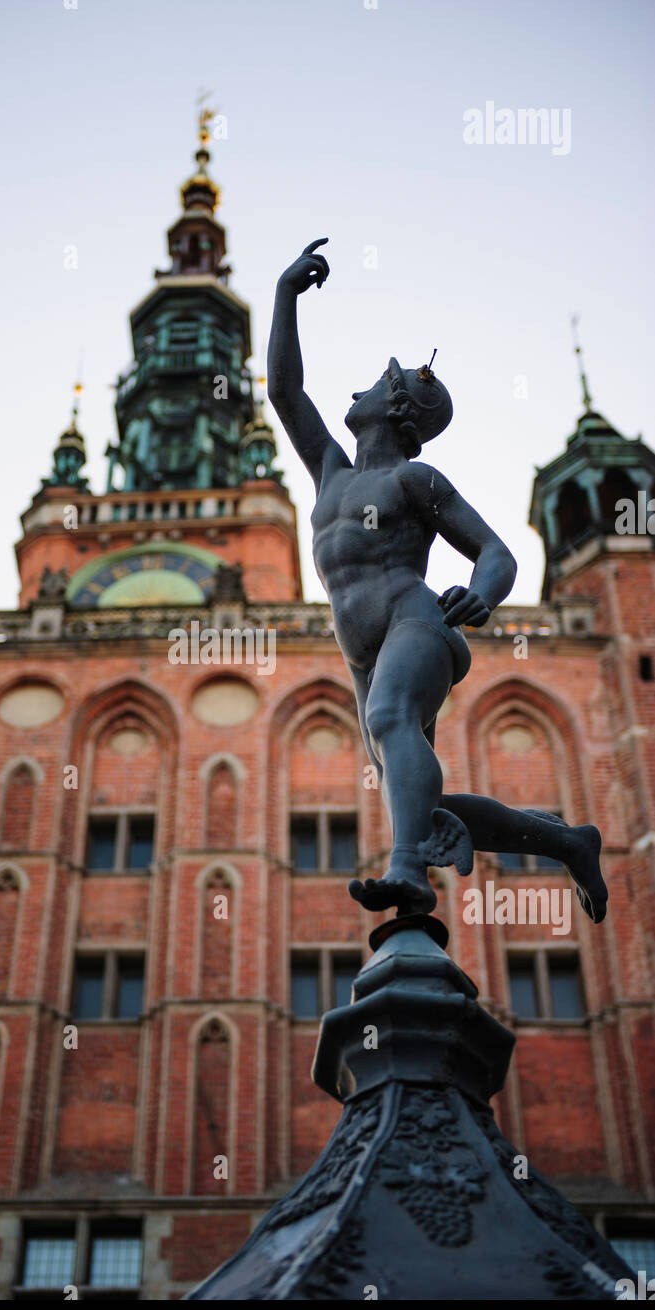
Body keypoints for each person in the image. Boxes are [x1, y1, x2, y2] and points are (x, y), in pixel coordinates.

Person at [267, 239, 607, 921]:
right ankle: (565, 841)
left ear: (394, 406)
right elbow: (283, 391)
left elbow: (494, 550)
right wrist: (283, 296)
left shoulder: (411, 479)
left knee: (393, 723)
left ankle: (407, 874)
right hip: (359, 650)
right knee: (411, 791)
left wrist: (482, 592)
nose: (354, 389)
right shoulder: (332, 470)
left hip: (413, 622)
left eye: (371, 381)